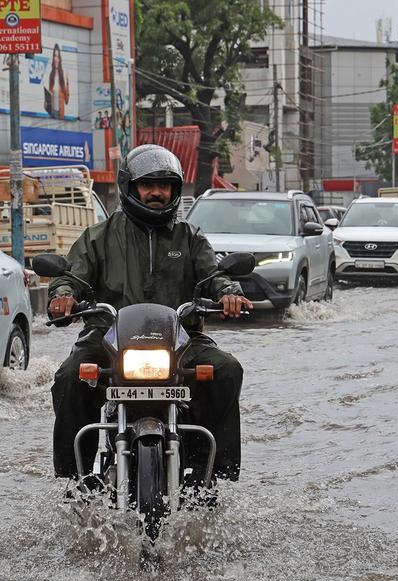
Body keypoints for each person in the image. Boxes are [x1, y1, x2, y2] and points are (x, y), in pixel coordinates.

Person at [48, 144, 253, 482]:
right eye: (148, 184)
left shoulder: (190, 238)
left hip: (181, 339)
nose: (157, 192)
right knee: (70, 376)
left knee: (227, 370)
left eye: (165, 185)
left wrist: (229, 294)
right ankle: (76, 476)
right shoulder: (99, 237)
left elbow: (214, 276)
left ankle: (211, 472)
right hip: (108, 338)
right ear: (130, 187)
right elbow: (70, 275)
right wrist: (63, 295)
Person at [43, 44, 69, 120]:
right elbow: (49, 97)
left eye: (58, 56)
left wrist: (67, 83)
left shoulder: (63, 75)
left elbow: (66, 100)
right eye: (54, 56)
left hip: (60, 113)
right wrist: (46, 105)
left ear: (60, 59)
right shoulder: (51, 75)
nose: (56, 59)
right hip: (52, 113)